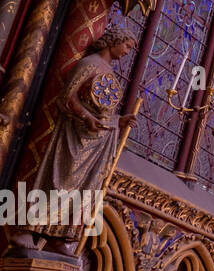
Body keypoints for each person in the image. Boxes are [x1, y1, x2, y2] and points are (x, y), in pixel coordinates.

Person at [13, 28, 136, 255]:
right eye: (127, 45)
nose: (128, 51)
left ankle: (57, 235)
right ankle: (26, 228)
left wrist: (120, 121)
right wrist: (86, 118)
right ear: (115, 41)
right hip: (74, 135)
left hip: (95, 141)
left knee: (80, 190)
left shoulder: (107, 70)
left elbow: (102, 112)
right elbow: (66, 97)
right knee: (58, 181)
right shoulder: (89, 64)